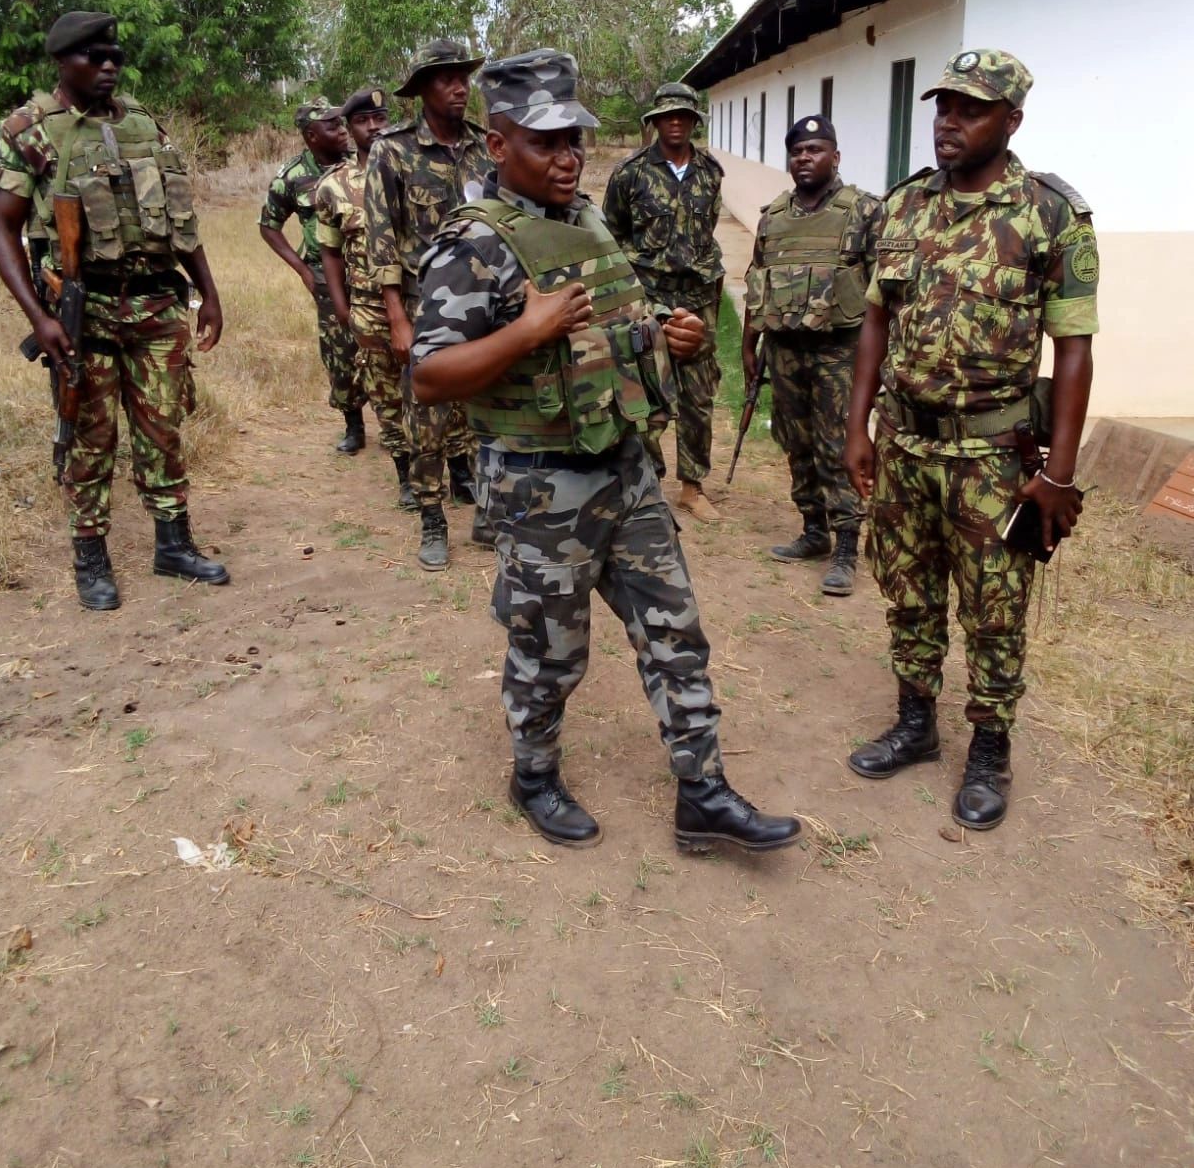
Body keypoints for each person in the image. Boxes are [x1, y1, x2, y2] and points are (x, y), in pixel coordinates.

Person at [411, 48, 800, 854]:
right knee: (550, 652)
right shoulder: (472, 245)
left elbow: (613, 325)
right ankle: (535, 773)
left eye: (575, 140)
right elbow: (428, 375)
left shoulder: (585, 219)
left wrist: (672, 335)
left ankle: (703, 793)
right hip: (539, 485)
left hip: (624, 468)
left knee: (675, 632)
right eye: (546, 143)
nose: (567, 157)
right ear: (498, 145)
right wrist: (524, 331)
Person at [844, 49, 1097, 831]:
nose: (949, 122)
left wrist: (1057, 473)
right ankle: (916, 721)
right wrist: (857, 425)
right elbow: (875, 320)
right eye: (943, 106)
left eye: (971, 109)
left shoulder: (1050, 216)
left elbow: (1075, 349)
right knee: (908, 593)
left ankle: (990, 747)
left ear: (1011, 121)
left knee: (995, 609)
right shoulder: (902, 207)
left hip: (993, 454)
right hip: (908, 447)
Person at [0, 11, 229, 610]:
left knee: (164, 427)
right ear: (61, 62)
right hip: (84, 307)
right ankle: (90, 557)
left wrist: (208, 291)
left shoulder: (143, 123)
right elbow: (2, 225)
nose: (108, 68)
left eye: (114, 57)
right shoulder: (29, 129)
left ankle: (172, 545)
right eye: (93, 57)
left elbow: (180, 218)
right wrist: (39, 319)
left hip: (156, 300)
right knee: (91, 438)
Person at [364, 40, 494, 570]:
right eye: (446, 79)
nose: (460, 86)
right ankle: (432, 518)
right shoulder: (392, 151)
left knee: (489, 408)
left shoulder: (487, 147)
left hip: (487, 301)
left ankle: (488, 504)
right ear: (421, 90)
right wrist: (396, 316)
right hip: (426, 307)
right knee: (426, 416)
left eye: (464, 76)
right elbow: (381, 238)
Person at [742, 116, 882, 596]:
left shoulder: (863, 211)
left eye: (815, 149)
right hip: (785, 348)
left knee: (838, 445)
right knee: (796, 441)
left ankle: (846, 544)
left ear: (835, 156)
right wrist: (749, 345)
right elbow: (757, 279)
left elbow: (885, 294)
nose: (805, 158)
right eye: (798, 151)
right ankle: (814, 531)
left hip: (840, 352)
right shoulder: (774, 215)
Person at [603, 82, 725, 523]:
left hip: (697, 297)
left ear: (694, 121)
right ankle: (647, 482)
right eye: (667, 116)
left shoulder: (710, 172)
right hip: (648, 297)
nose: (675, 122)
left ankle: (693, 487)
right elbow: (612, 238)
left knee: (698, 393)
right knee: (647, 392)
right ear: (654, 122)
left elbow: (707, 231)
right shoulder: (629, 173)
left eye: (683, 115)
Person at [315, 87, 415, 509]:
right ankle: (407, 476)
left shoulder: (414, 170)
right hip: (369, 308)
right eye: (363, 120)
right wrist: (341, 306)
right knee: (387, 394)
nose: (374, 127)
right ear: (349, 128)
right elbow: (330, 252)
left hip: (421, 301)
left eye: (380, 117)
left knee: (444, 392)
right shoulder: (333, 187)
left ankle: (461, 472)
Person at [259, 98, 367, 453]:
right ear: (311, 135)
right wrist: (304, 270)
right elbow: (269, 227)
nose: (341, 130)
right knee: (340, 351)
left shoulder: (362, 163)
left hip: (369, 271)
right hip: (326, 276)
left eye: (341, 123)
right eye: (332, 126)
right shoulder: (292, 177)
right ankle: (354, 425)